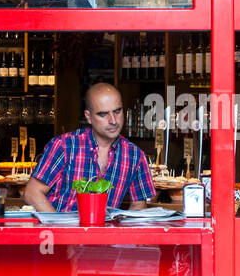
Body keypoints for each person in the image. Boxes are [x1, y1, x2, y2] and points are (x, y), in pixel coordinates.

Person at [24, 83, 154, 212]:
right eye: (103, 114)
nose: (113, 120)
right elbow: (32, 193)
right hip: (60, 229)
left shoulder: (135, 155)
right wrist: (59, 227)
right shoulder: (64, 146)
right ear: (88, 117)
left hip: (104, 231)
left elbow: (138, 205)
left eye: (117, 111)